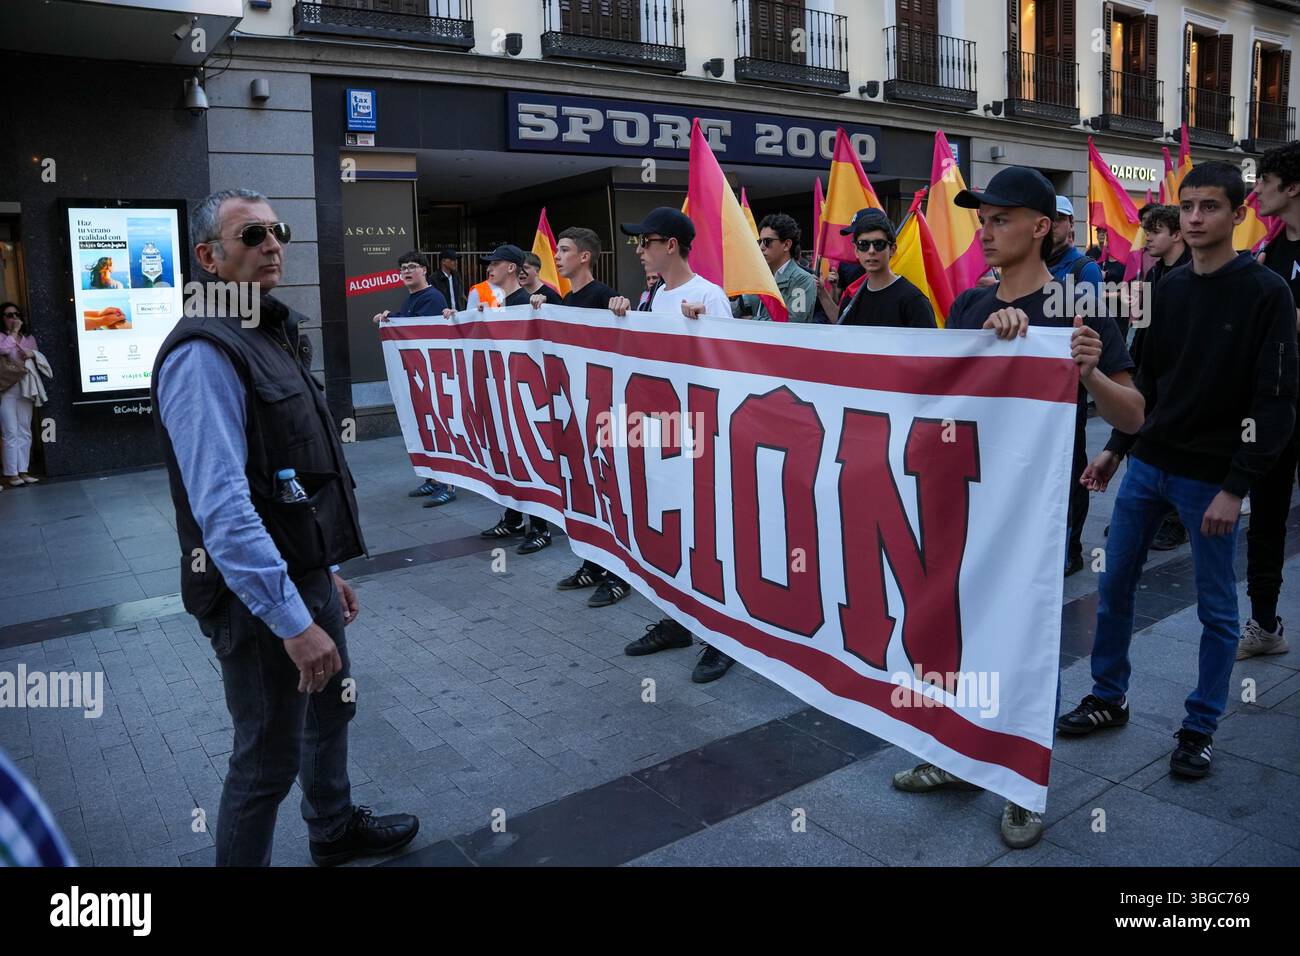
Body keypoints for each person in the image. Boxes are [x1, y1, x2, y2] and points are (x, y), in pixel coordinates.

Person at [152, 187, 419, 866]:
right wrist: (291, 620)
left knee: (332, 710)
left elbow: (288, 472)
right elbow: (223, 507)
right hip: (257, 600)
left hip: (303, 576)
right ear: (210, 257)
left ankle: (332, 830)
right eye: (252, 235)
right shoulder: (205, 352)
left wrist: (323, 569)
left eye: (279, 229)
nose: (272, 243)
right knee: (266, 763)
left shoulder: (270, 330)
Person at [895, 166, 1145, 851]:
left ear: (1041, 227)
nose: (986, 230)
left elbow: (1134, 412)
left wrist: (1088, 370)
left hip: (1033, 515)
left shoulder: (1077, 309)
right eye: (983, 219)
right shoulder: (972, 309)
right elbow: (933, 400)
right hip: (961, 502)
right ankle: (959, 758)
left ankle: (1020, 786)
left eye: (1000, 219)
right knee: (958, 636)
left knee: (1024, 642)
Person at [1062, 162, 1298, 784]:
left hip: (1210, 480)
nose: (1194, 219)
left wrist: (1236, 487)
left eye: (1209, 207)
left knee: (1217, 610)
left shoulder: (1266, 292)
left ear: (1239, 213)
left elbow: (1274, 401)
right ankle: (1108, 696)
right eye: (1187, 206)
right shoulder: (1169, 288)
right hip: (1149, 467)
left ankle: (1199, 727)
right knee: (1113, 589)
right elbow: (1150, 379)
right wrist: (1115, 448)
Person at [609, 206, 736, 684]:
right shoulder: (652, 297)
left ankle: (721, 640)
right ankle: (679, 621)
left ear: (671, 245)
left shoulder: (709, 296)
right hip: (662, 438)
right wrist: (623, 319)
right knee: (673, 536)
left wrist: (703, 330)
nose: (639, 251)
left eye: (645, 242)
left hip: (702, 439)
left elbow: (729, 369)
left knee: (709, 539)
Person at [529, 227, 633, 608]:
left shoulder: (607, 298)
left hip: (603, 412)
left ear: (585, 257)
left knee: (610, 490)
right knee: (585, 490)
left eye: (565, 250)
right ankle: (593, 562)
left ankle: (620, 575)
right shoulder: (567, 299)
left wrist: (623, 312)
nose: (557, 256)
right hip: (575, 412)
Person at [1096, 204, 1193, 552]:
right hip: (1148, 373)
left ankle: (1172, 523)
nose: (1147, 237)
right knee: (1140, 443)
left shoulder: (1191, 274)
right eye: (1146, 230)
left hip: (1177, 381)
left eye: (1156, 230)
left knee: (1167, 452)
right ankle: (1144, 517)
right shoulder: (1153, 276)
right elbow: (1146, 328)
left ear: (1177, 234)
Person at [1237, 140, 1300, 659]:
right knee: (1267, 517)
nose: (1255, 192)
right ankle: (1264, 624)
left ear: (1293, 187)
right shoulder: (1269, 249)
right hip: (1277, 404)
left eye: (1264, 182)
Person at [461, 245, 554, 554]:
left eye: (496, 263)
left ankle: (540, 528)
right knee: (511, 458)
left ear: (512, 268)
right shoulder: (500, 303)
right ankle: (514, 517)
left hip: (530, 399)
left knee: (530, 458)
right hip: (505, 394)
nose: (489, 268)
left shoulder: (529, 303)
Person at [1046, 195, 1108, 572]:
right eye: (1046, 219)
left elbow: (1088, 320)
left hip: (1070, 386)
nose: (1052, 225)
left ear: (1071, 225)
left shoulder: (1085, 268)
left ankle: (1071, 550)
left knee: (1070, 471)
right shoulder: (1031, 263)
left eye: (1059, 219)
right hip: (1034, 387)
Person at [373, 252, 456, 508]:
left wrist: (392, 319)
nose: (406, 271)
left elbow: (419, 327)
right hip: (421, 375)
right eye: (403, 268)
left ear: (424, 270)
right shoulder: (413, 299)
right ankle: (433, 477)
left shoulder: (432, 297)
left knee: (440, 428)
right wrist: (390, 317)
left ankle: (448, 484)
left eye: (412, 267)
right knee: (426, 427)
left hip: (435, 376)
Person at [814, 208, 936, 328]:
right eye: (863, 245)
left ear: (892, 249)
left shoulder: (913, 300)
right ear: (856, 250)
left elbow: (930, 346)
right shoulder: (852, 299)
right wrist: (822, 292)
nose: (871, 251)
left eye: (879, 244)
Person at [734, 213, 817, 323]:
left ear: (786, 245)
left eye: (767, 242)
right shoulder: (759, 277)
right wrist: (733, 297)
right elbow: (736, 312)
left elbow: (793, 322)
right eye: (760, 241)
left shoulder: (803, 280)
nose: (761, 247)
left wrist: (752, 321)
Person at [0, 303, 39, 487]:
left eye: (16, 314)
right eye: (8, 315)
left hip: (25, 386)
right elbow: (4, 350)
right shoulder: (2, 337)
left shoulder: (28, 338)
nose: (13, 317)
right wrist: (13, 333)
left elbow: (37, 355)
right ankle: (11, 473)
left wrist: (31, 353)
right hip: (7, 387)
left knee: (25, 429)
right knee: (10, 431)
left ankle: (23, 470)